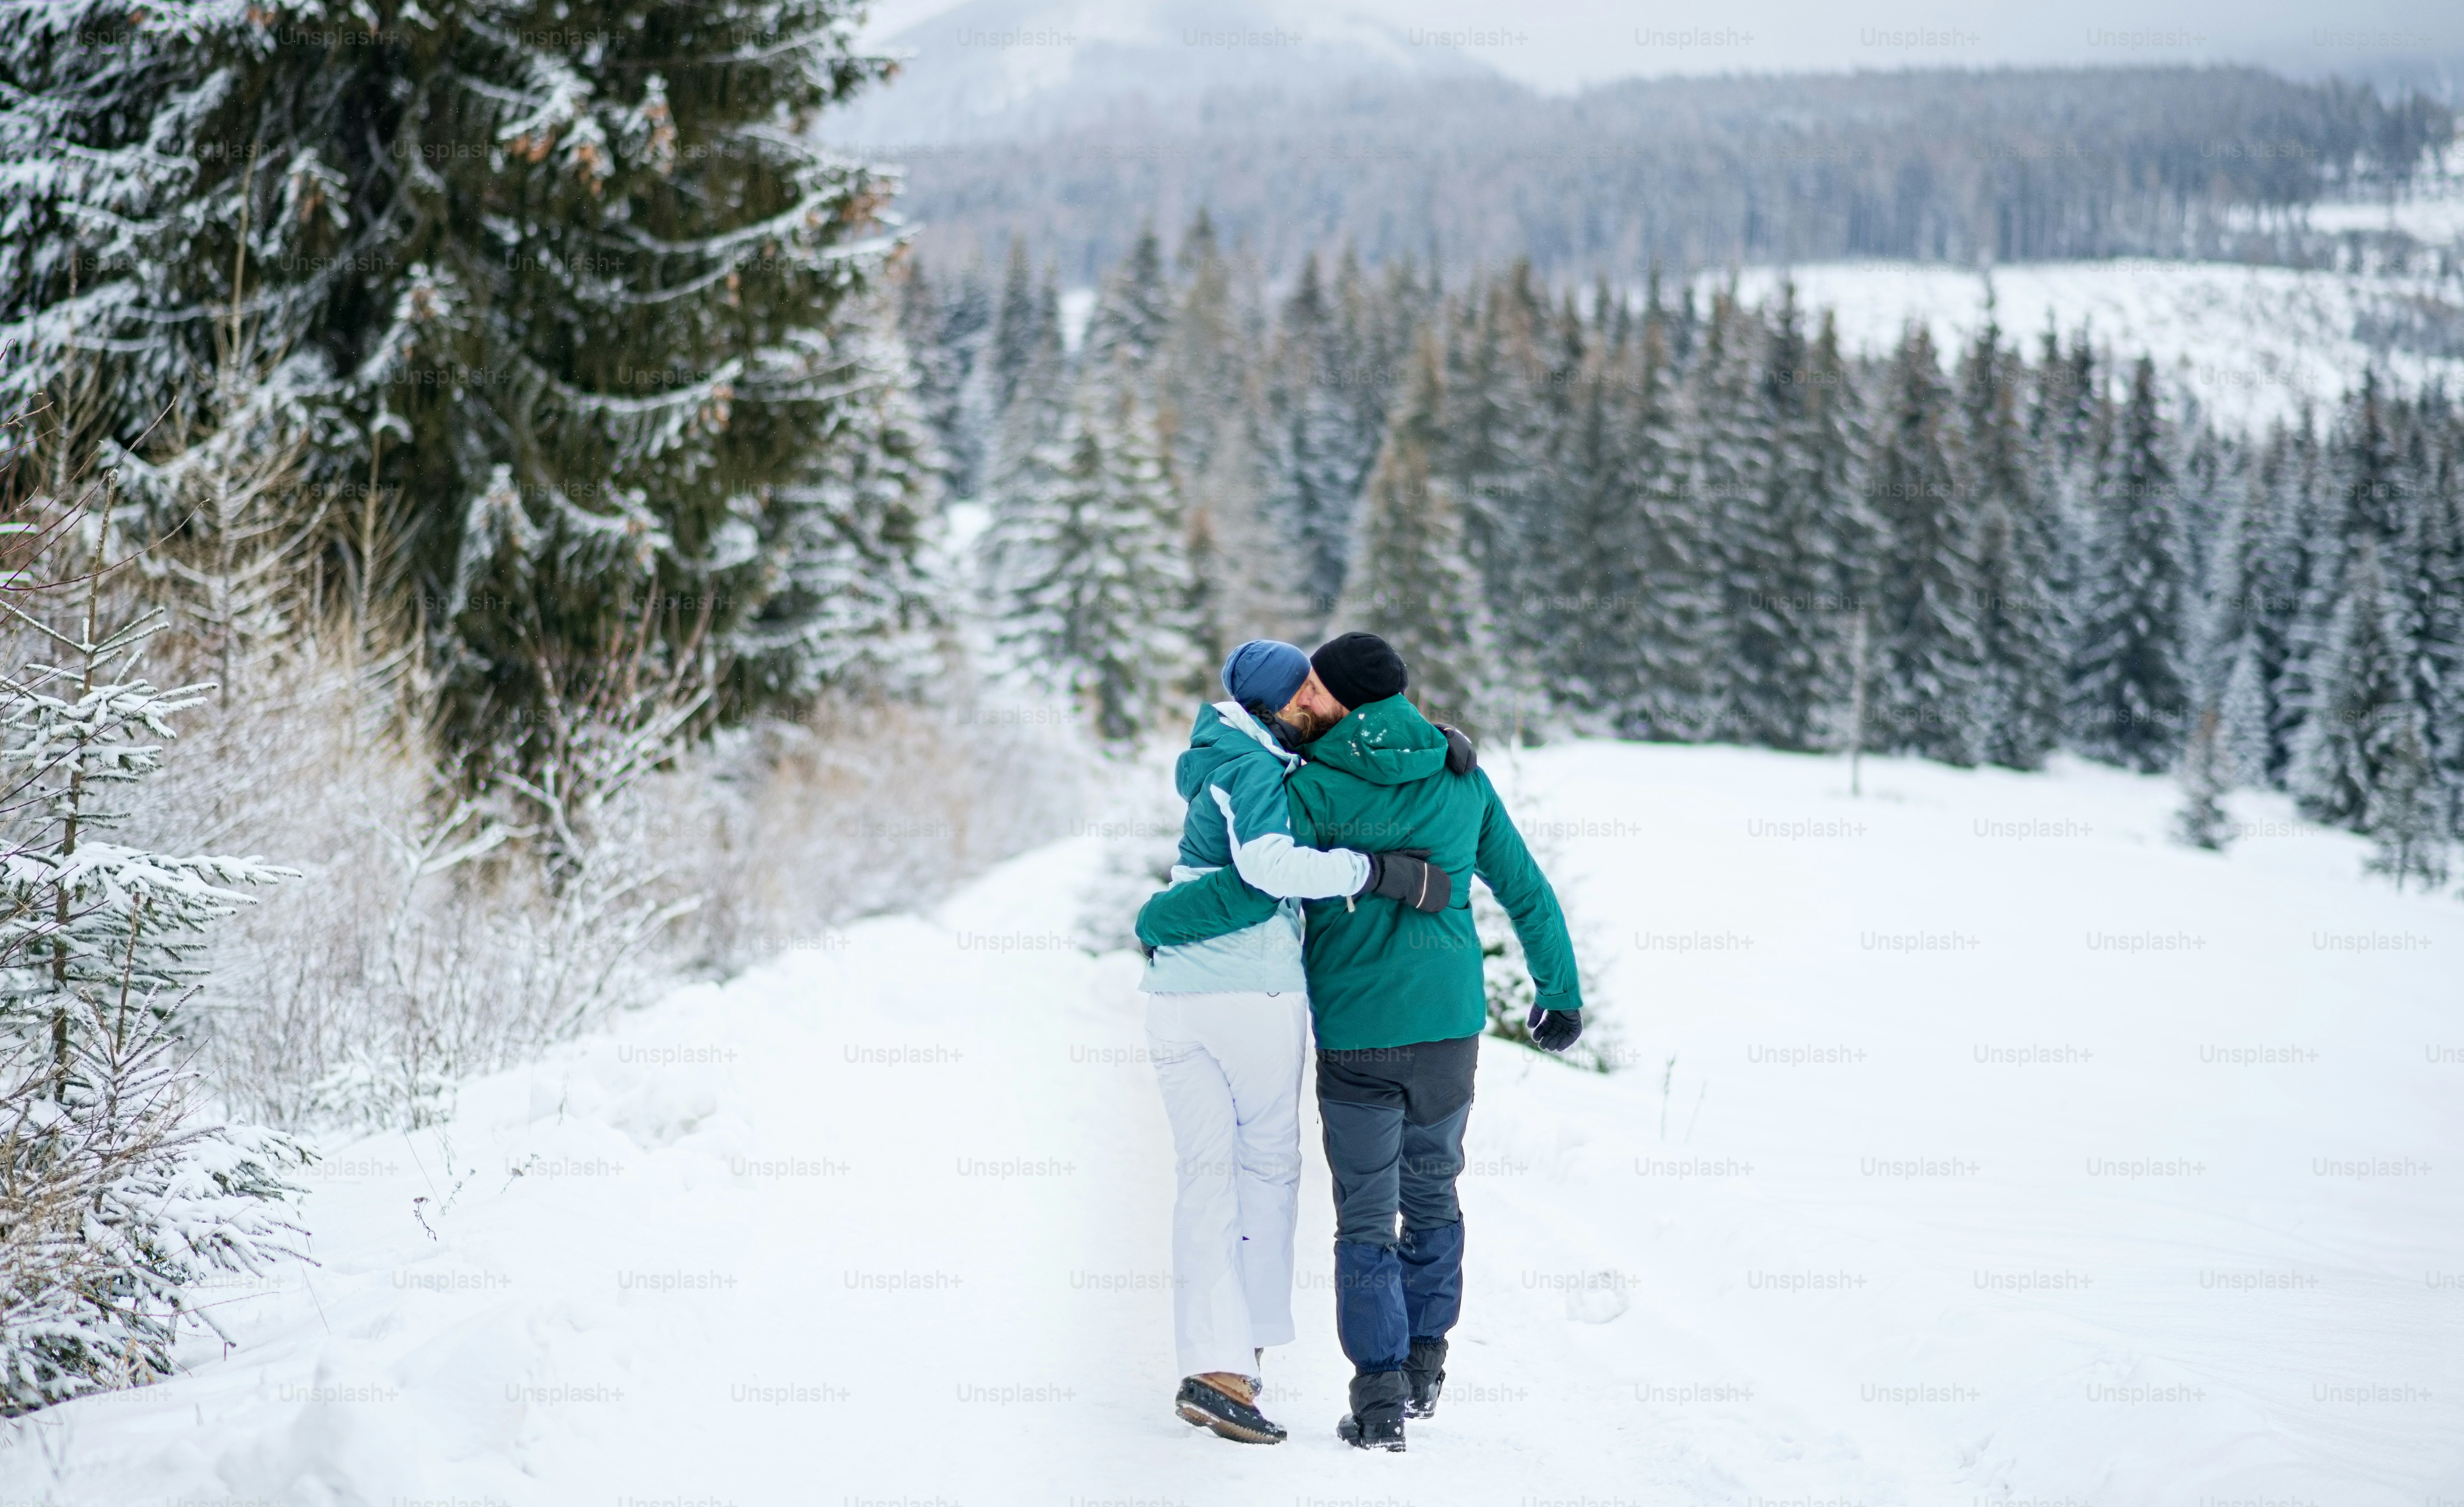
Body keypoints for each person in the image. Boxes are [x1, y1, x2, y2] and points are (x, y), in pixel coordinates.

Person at [1139, 632, 1584, 1453]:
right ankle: (1425, 1361)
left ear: (1339, 699)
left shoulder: (1309, 787)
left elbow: (1252, 882)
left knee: (1366, 1217)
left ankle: (1379, 1398)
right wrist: (1560, 991)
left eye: (1315, 688)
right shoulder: (1462, 777)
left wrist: (1159, 917)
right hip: (1450, 1022)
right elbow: (1524, 887)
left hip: (1356, 1034)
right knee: (1436, 1193)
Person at [1138, 639, 1455, 1445]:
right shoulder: (1256, 768)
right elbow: (1270, 866)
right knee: (1269, 1172)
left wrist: (1440, 740)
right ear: (1274, 709)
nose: (1316, 701)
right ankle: (1232, 1362)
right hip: (1252, 993)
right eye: (1305, 691)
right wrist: (1375, 871)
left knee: (1204, 1178)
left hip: (1175, 999)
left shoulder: (1219, 751)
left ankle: (1216, 1361)